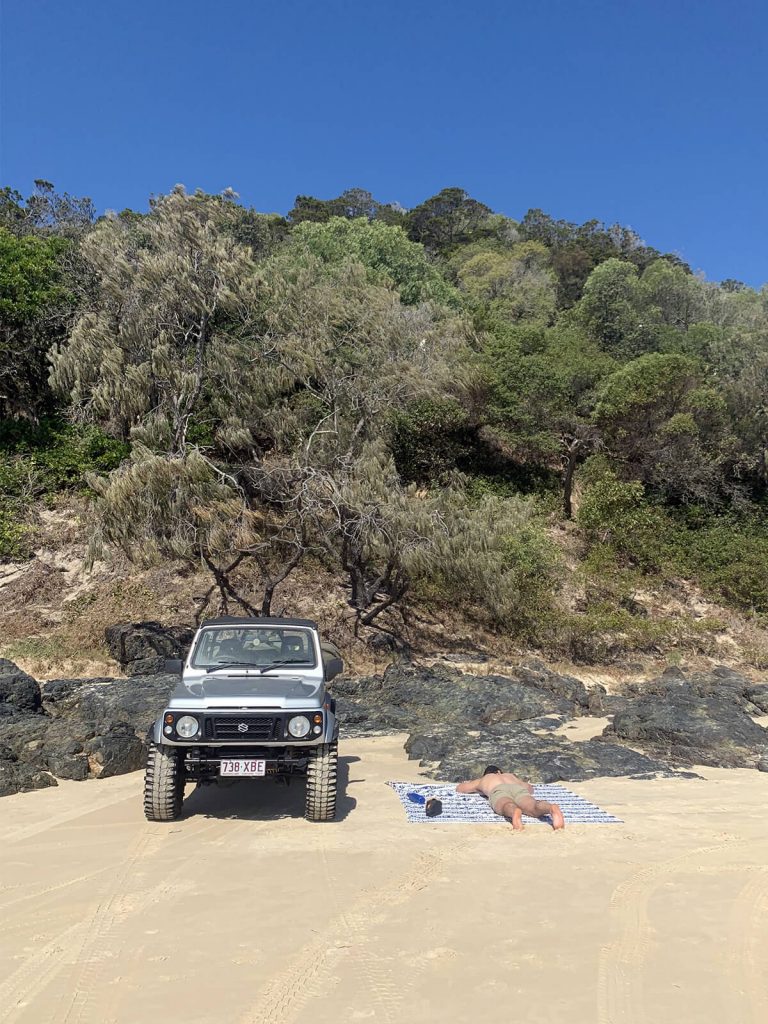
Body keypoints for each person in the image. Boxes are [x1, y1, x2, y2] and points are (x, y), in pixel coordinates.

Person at [456, 765, 565, 831]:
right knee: (533, 806)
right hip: (517, 788)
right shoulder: (510, 776)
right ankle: (550, 808)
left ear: (486, 774)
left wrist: (468, 783)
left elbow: (461, 789)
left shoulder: (485, 779)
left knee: (505, 805)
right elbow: (530, 788)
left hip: (498, 790)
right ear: (499, 772)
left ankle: (514, 813)